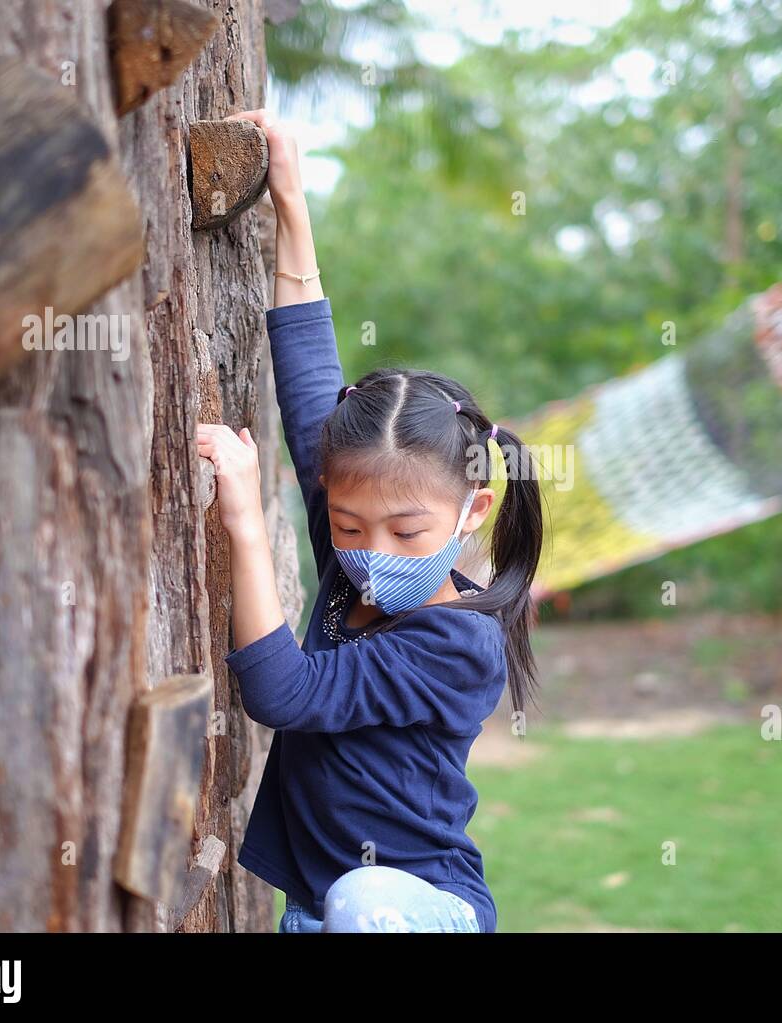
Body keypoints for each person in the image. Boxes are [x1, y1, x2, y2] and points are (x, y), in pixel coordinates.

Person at [197, 109, 544, 933]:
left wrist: (245, 519)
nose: (368, 552)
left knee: (359, 903)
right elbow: (311, 382)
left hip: (416, 906)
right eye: (347, 524)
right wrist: (291, 200)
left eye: (406, 531)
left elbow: (284, 693)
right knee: (337, 907)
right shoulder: (351, 551)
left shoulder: (458, 644)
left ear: (473, 512)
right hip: (323, 907)